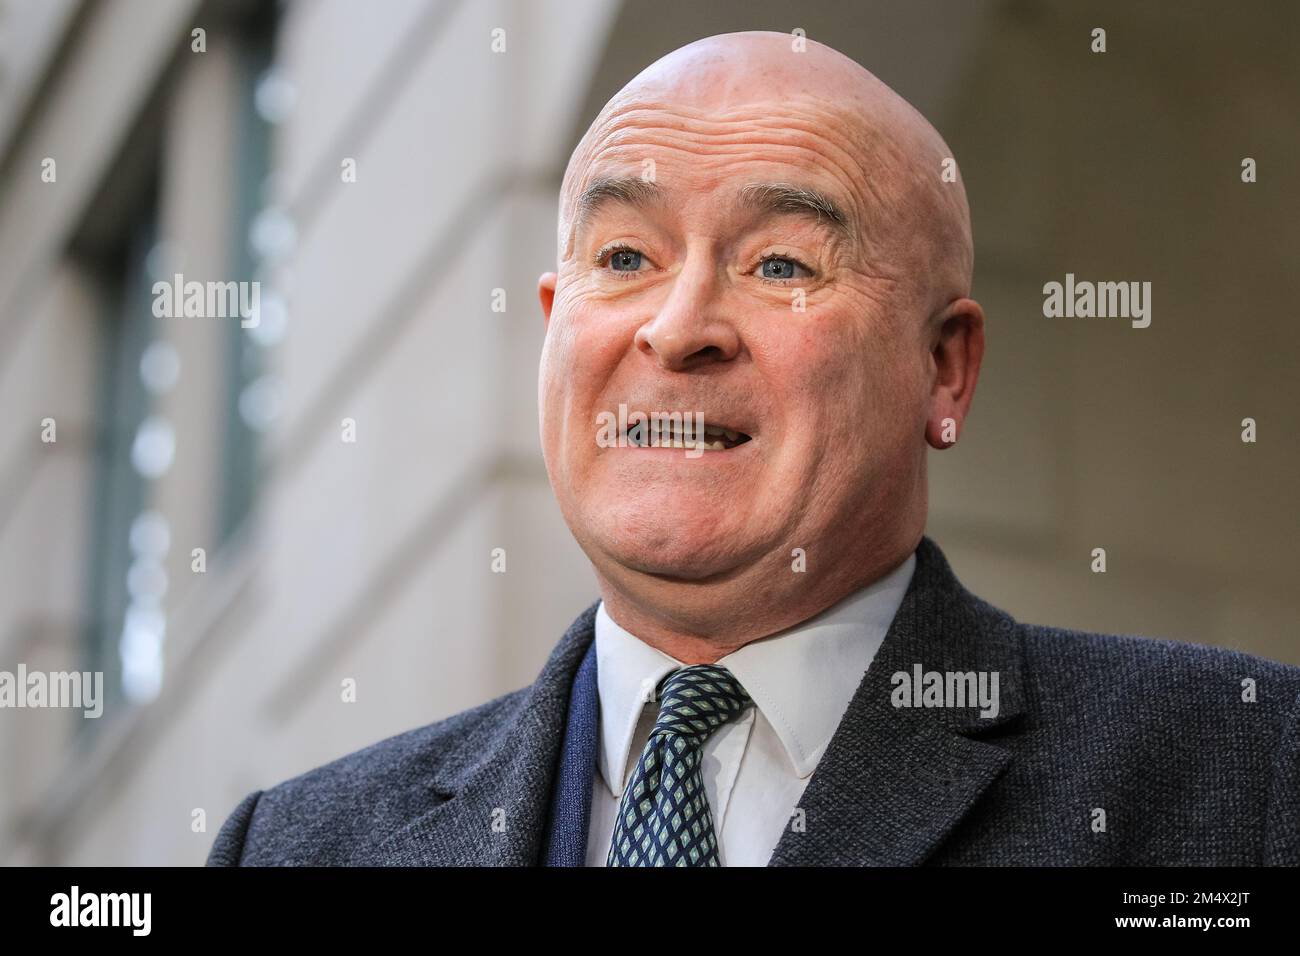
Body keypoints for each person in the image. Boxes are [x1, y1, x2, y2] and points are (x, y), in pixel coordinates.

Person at [208, 31, 1300, 867]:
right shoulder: (296, 843)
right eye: (624, 253)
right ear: (553, 319)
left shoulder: (1243, 773)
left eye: (782, 264)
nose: (679, 326)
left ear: (944, 369)